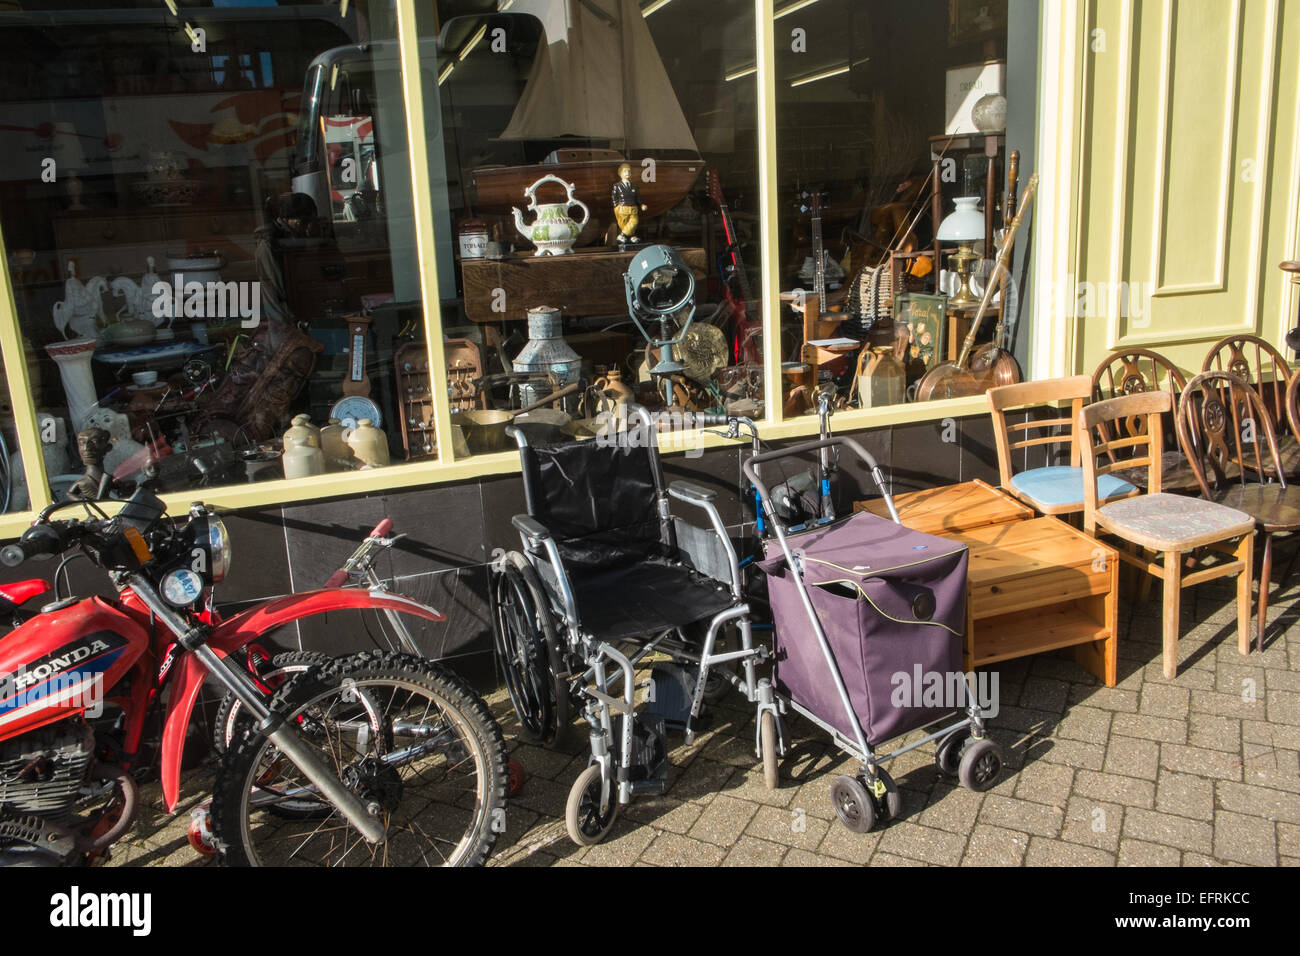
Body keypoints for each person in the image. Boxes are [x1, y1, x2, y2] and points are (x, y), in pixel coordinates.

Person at [612, 162, 647, 247]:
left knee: (634, 222)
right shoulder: (617, 186)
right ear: (620, 173)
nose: (627, 173)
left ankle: (622, 236)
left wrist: (641, 204)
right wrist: (616, 206)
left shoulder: (634, 186)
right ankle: (631, 236)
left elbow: (637, 197)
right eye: (625, 171)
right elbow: (614, 197)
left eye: (629, 171)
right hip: (622, 208)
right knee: (624, 224)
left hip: (633, 208)